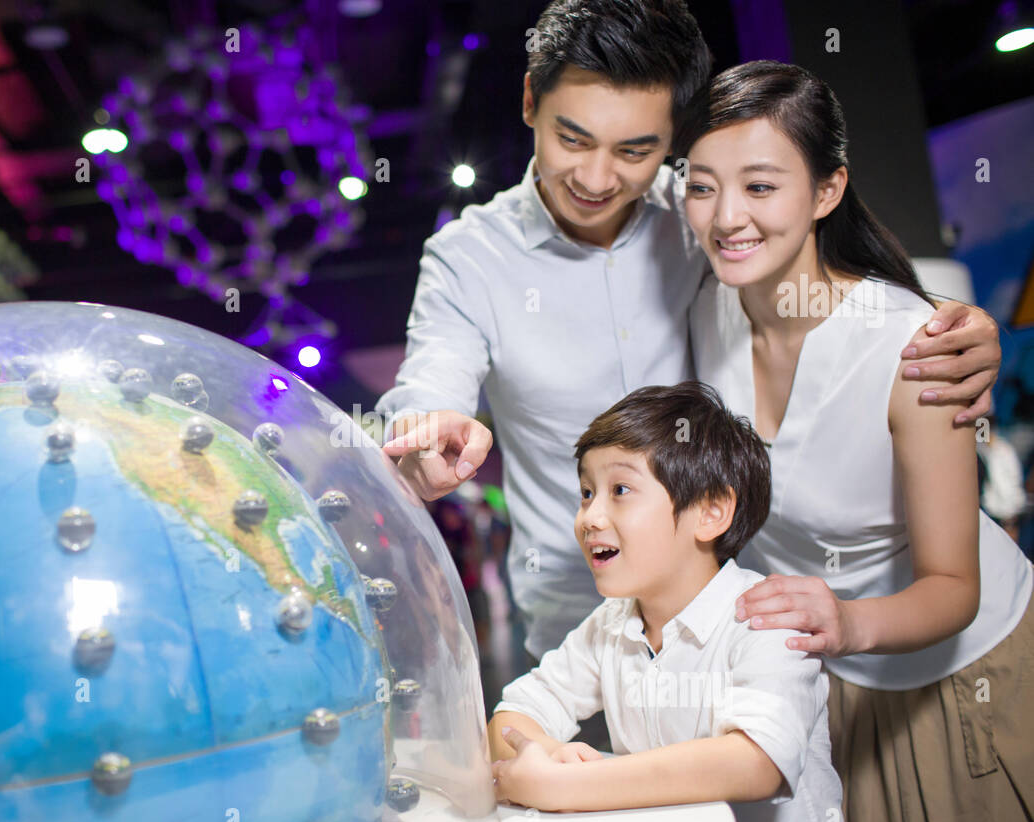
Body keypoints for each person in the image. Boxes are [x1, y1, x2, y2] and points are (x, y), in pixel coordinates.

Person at [375, 0, 1003, 666]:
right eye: (574, 139)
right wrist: (427, 431)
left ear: (673, 137)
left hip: (736, 629)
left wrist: (954, 322)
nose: (595, 179)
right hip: (584, 635)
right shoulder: (469, 257)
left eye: (634, 151)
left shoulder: (705, 214)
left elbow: (825, 280)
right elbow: (430, 379)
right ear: (531, 100)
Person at [676, 60, 1034, 822]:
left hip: (961, 675)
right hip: (833, 678)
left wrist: (843, 623)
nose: (727, 216)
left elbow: (952, 587)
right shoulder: (710, 310)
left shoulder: (913, 348)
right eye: (703, 187)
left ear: (827, 191)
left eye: (762, 187)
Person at [487, 381, 861, 822]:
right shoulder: (611, 625)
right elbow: (512, 715)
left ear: (711, 512)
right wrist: (546, 755)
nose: (589, 516)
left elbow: (755, 763)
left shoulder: (766, 616)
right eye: (585, 492)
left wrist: (572, 783)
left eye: (620, 490)